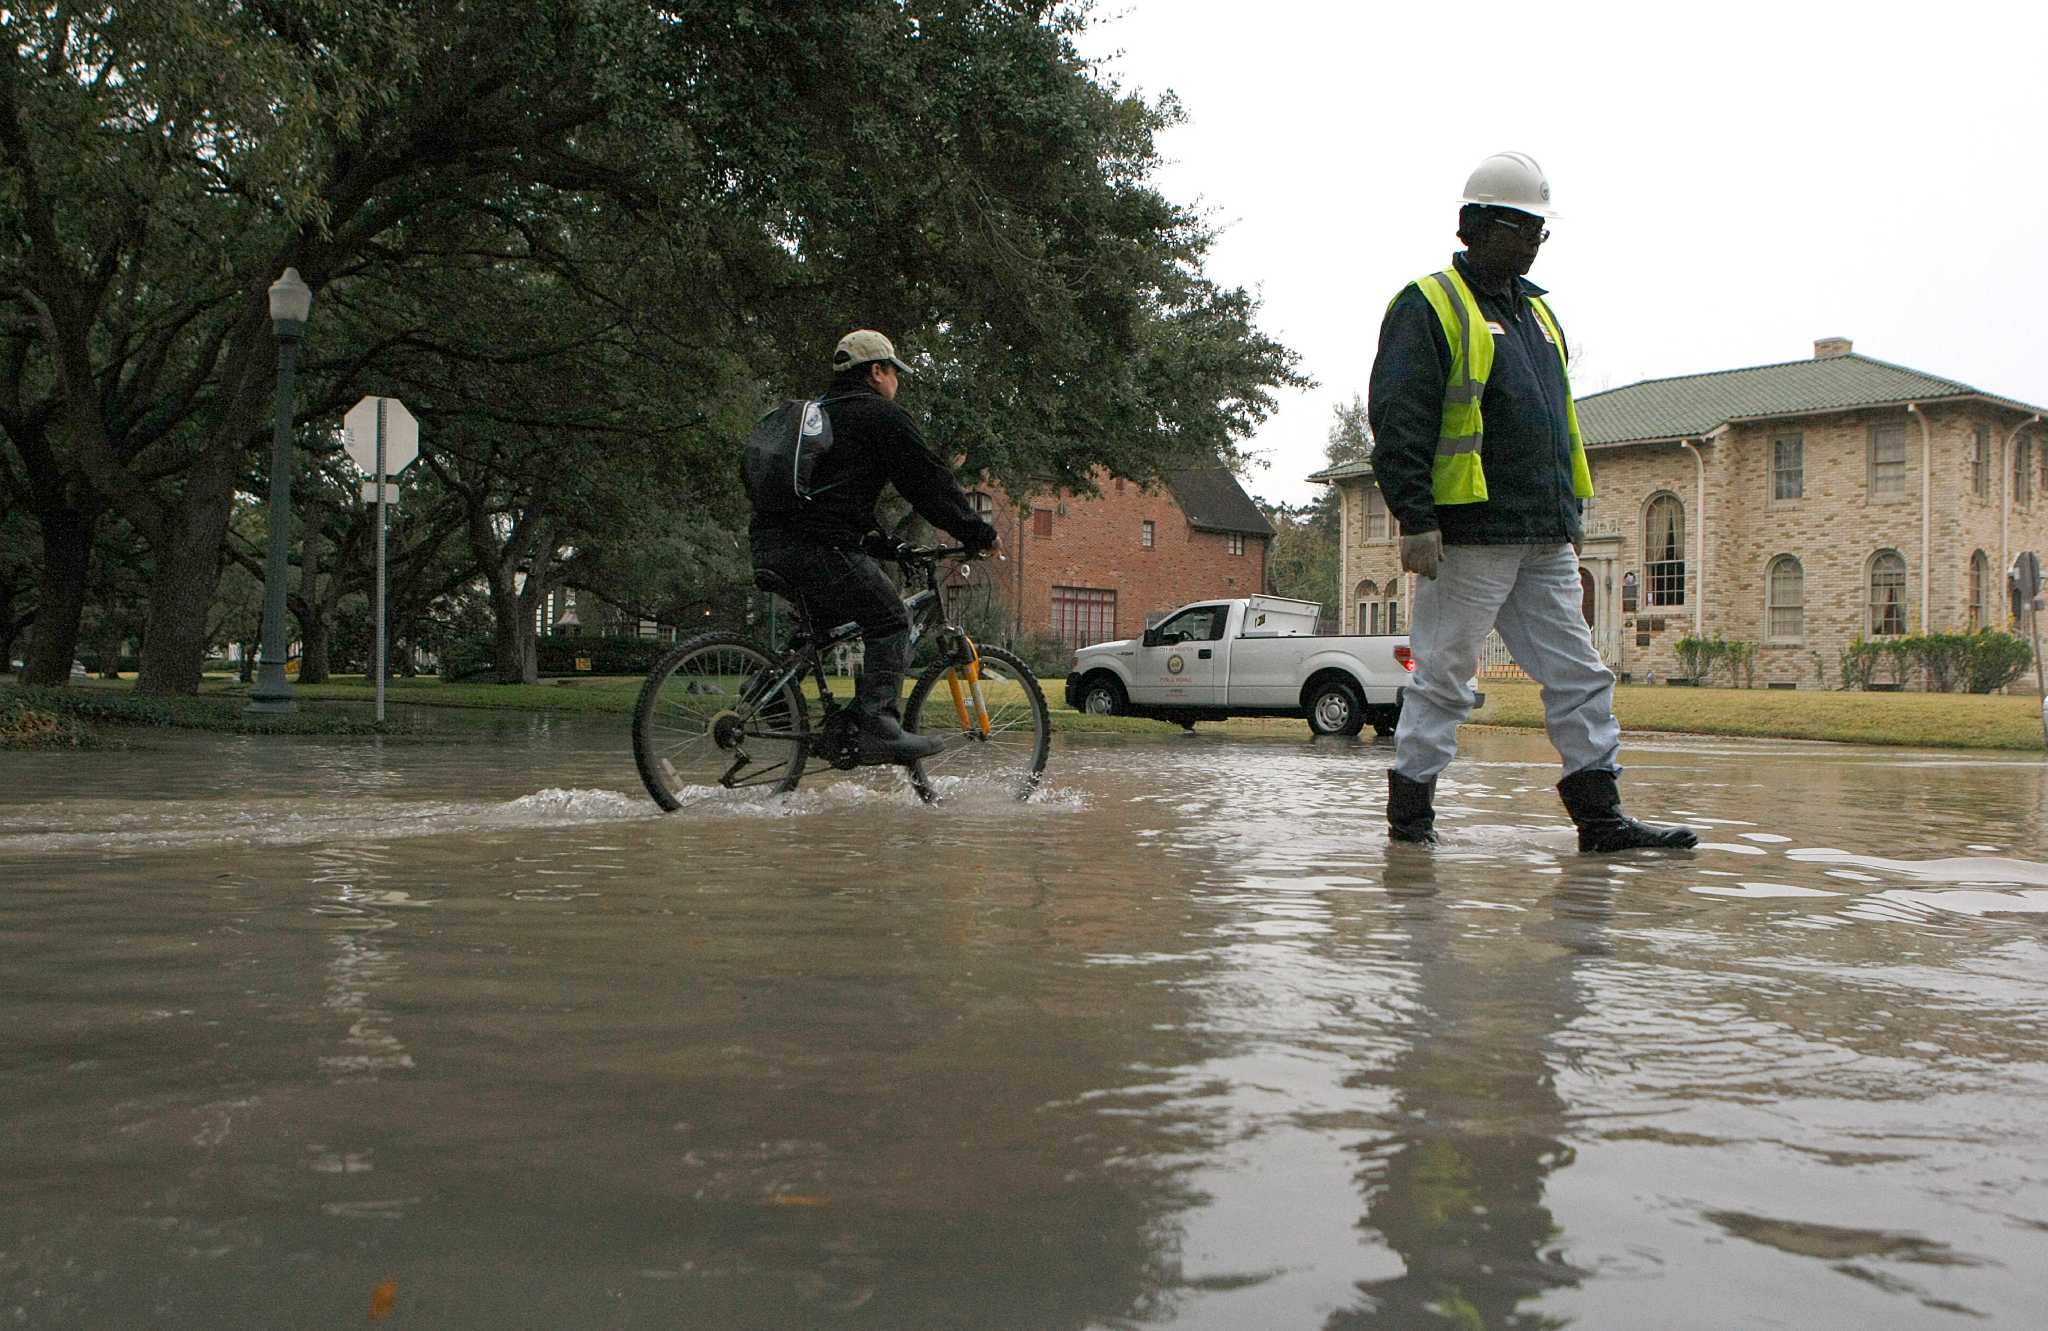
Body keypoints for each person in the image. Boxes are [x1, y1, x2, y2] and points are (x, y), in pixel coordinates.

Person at [1367, 152, 1697, 852]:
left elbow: (1558, 430)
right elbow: (1398, 418)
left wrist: (1567, 520)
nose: (1531, 241)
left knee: (1581, 674)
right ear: (1473, 225)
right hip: (1469, 535)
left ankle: (1602, 820)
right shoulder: (1429, 305)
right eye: (1518, 226)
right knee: (1445, 678)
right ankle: (1411, 823)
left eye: (1539, 229)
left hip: (1543, 536)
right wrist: (1416, 518)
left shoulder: (1540, 317)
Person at [748, 329, 1000, 765]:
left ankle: (767, 700)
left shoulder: (818, 415)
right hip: (821, 548)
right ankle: (877, 725)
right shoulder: (881, 416)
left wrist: (886, 544)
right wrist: (976, 532)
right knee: (890, 619)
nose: (897, 383)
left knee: (825, 626)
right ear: (877, 372)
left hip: (771, 544)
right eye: (894, 373)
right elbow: (928, 482)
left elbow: (835, 499)